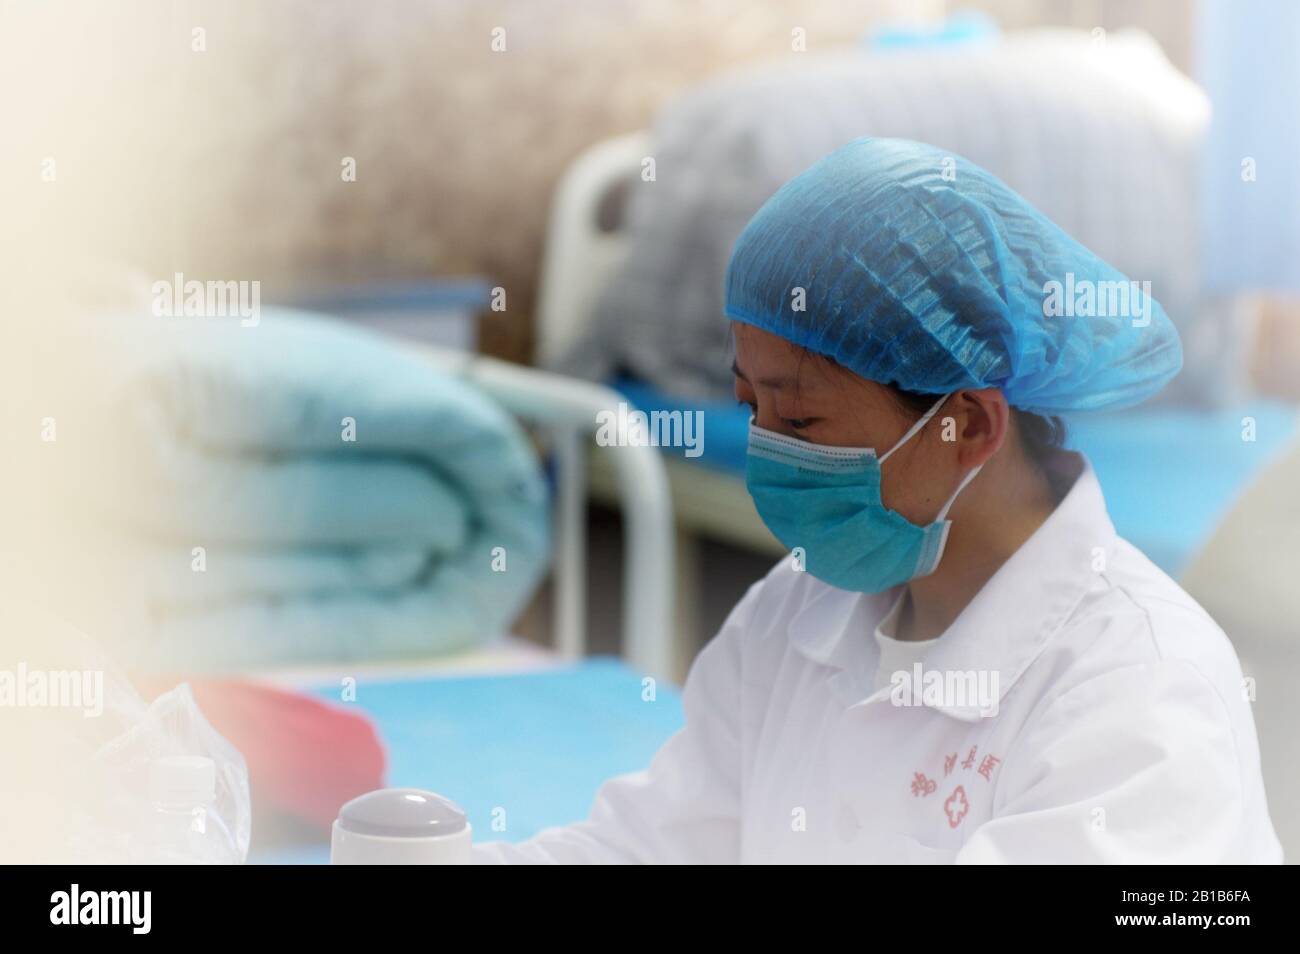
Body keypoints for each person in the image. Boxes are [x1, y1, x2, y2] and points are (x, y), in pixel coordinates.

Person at [475, 138, 1282, 863]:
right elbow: (647, 847)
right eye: (750, 407)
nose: (769, 451)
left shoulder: (1139, 689)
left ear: (964, 425)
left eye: (799, 417)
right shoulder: (795, 613)